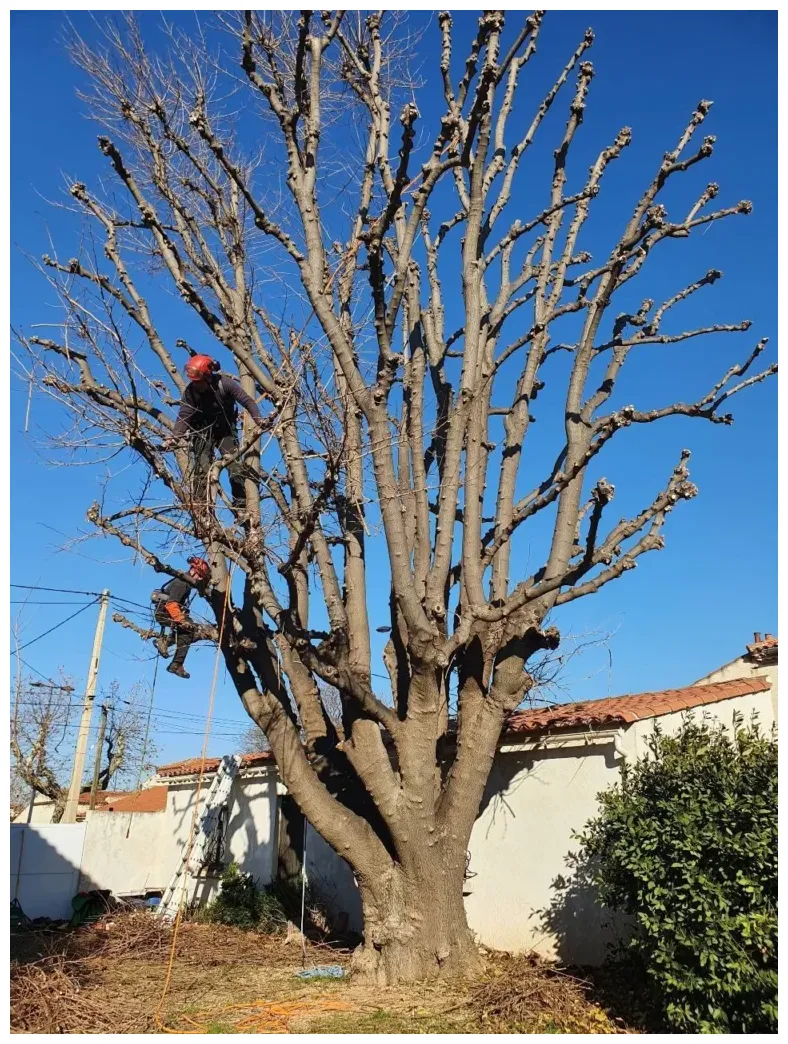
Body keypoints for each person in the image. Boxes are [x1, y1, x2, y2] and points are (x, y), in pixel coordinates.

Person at [165, 355, 266, 513]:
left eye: (199, 381)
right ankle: (201, 508)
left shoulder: (225, 384)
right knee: (202, 467)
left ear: (207, 375)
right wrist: (174, 437)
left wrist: (259, 420)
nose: (196, 385)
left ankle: (240, 506)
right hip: (202, 431)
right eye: (194, 382)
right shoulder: (191, 392)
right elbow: (184, 416)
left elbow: (247, 401)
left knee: (236, 466)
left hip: (225, 430)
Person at [151, 556, 211, 679]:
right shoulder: (182, 583)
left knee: (188, 632)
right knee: (188, 629)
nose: (199, 579)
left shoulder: (186, 585)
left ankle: (166, 645)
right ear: (193, 571)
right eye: (199, 576)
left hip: (168, 612)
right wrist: (182, 620)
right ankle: (175, 663)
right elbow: (171, 604)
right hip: (164, 612)